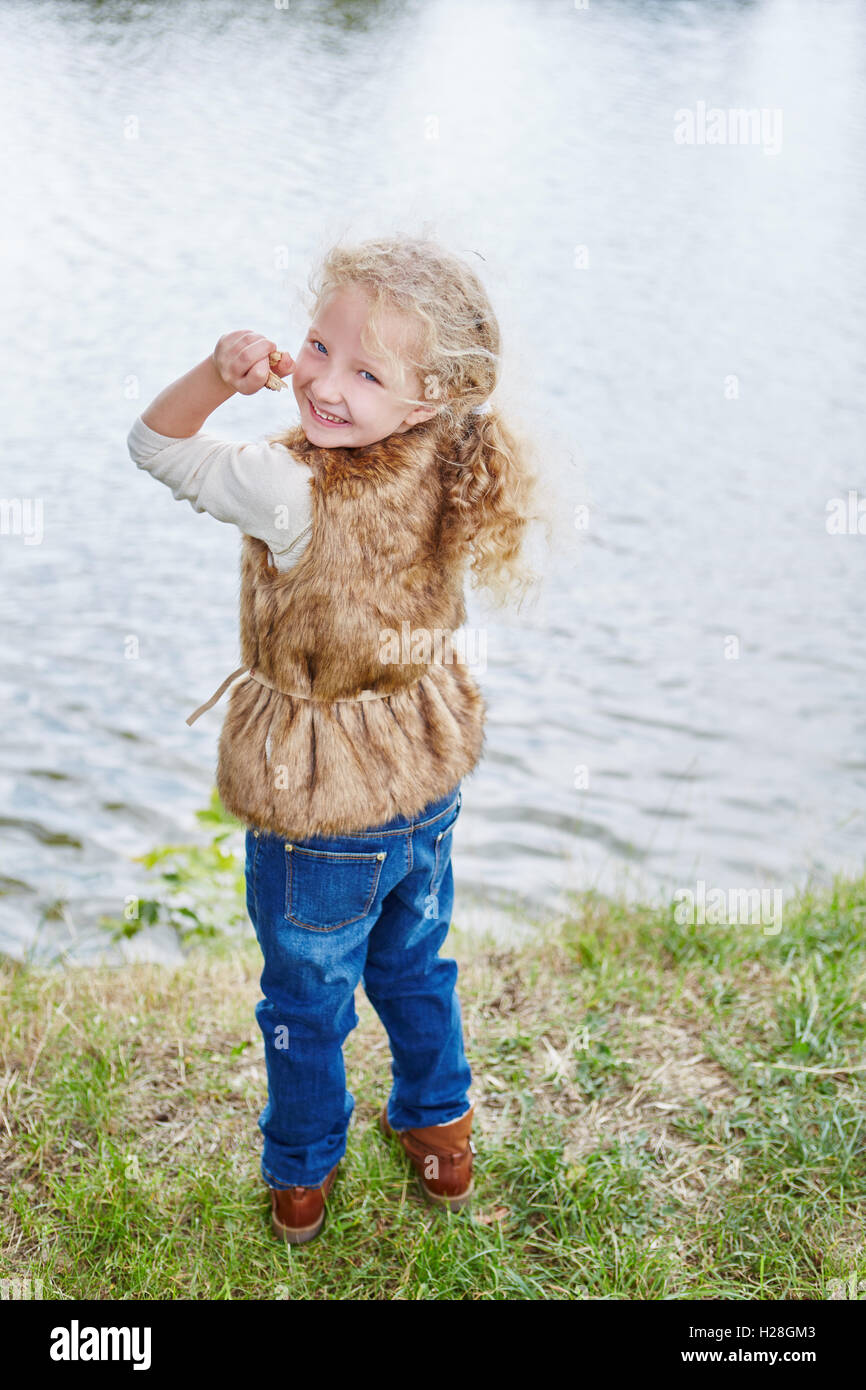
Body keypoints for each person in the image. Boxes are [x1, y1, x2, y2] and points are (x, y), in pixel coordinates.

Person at [127, 234, 542, 1244]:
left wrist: (212, 380)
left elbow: (154, 446)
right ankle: (441, 1127)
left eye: (363, 370)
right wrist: (343, 382)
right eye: (317, 346)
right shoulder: (453, 458)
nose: (322, 380)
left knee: (305, 995)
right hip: (426, 773)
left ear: (424, 398)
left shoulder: (286, 483)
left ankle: (303, 1168)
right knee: (415, 964)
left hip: (321, 800)